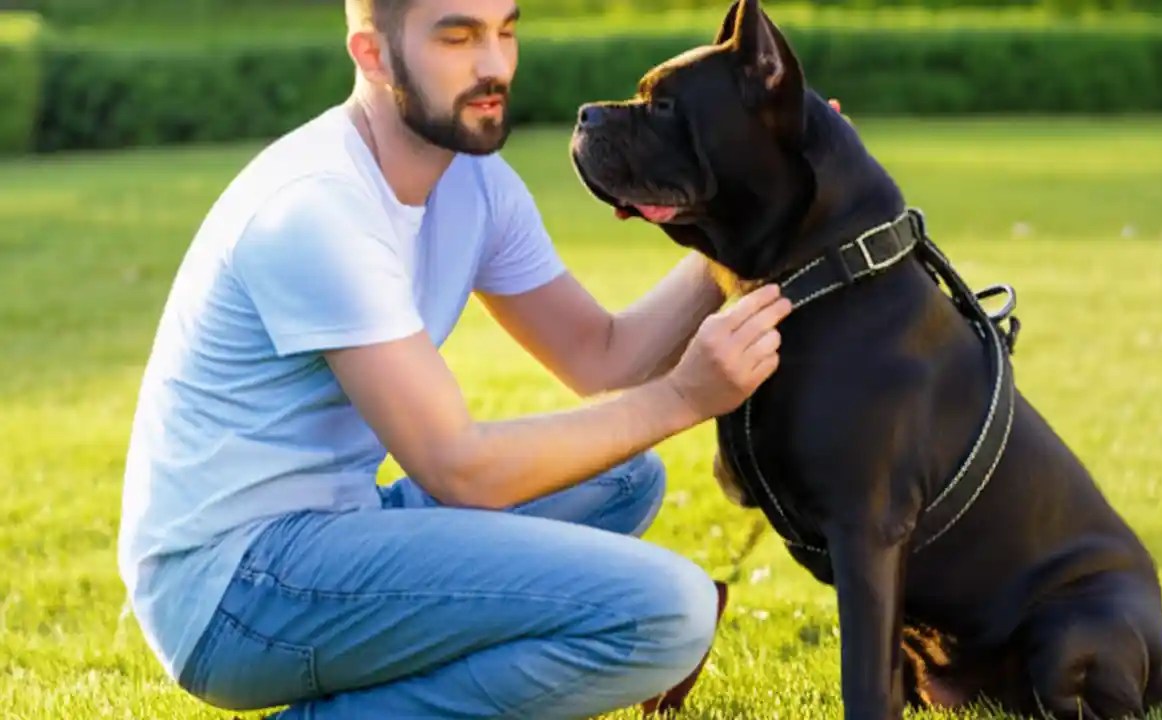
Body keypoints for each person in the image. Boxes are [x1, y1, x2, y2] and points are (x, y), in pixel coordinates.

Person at [116, 0, 793, 717]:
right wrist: (685, 398)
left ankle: (398, 664)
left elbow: (604, 357)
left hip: (342, 525)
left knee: (621, 481)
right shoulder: (317, 208)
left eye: (506, 31)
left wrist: (744, 212)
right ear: (372, 54)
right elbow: (458, 469)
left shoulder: (474, 183)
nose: (494, 65)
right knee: (669, 614)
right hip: (232, 590)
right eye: (458, 37)